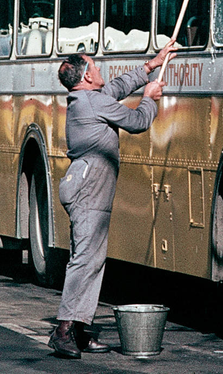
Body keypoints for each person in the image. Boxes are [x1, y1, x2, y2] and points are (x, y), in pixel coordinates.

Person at [48, 42, 176, 358]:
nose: (100, 69)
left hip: (91, 188)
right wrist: (149, 99)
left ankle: (80, 329)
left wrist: (150, 66)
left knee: (91, 260)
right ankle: (63, 330)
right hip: (89, 189)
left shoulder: (89, 98)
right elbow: (137, 122)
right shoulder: (91, 103)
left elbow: (118, 87)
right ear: (87, 77)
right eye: (95, 66)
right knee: (84, 261)